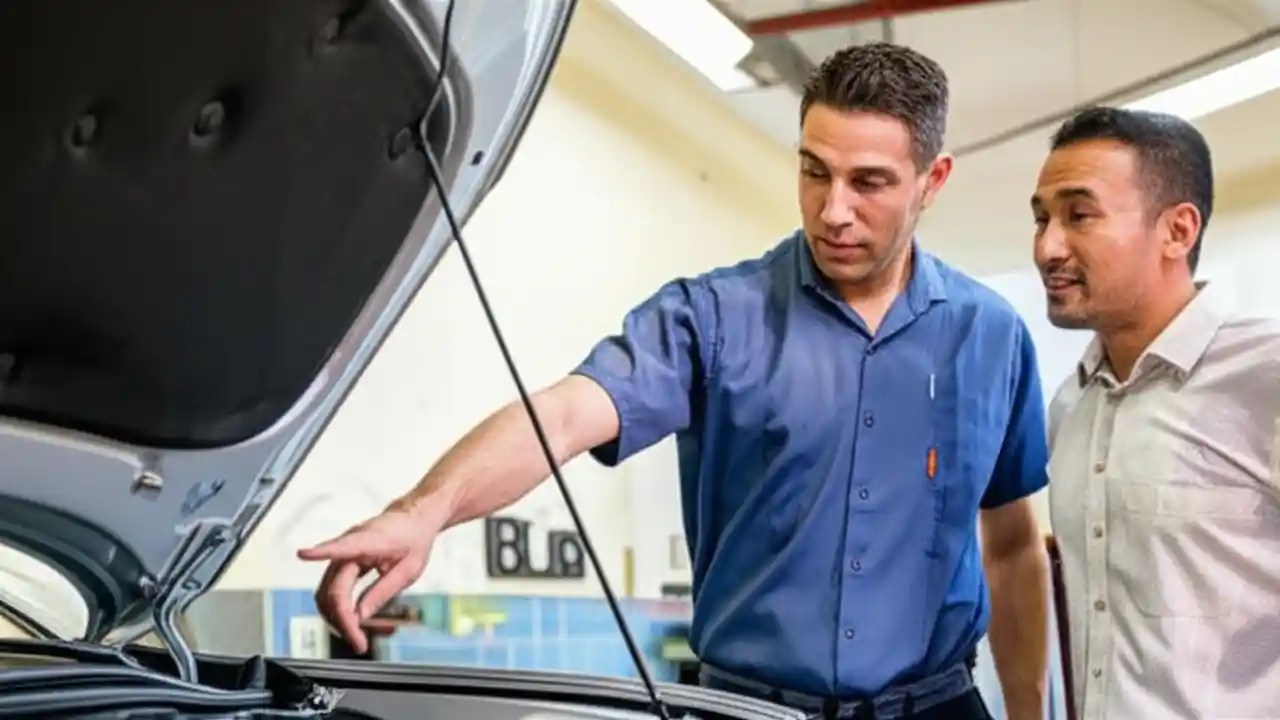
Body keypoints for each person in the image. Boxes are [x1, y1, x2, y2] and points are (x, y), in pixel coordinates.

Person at [300, 42, 1050, 719]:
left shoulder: (991, 337)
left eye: (870, 183)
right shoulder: (713, 318)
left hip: (937, 709)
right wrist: (423, 511)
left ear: (933, 180)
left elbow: (1011, 544)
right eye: (814, 171)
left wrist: (1025, 712)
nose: (834, 211)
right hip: (747, 712)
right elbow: (563, 416)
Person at [1034, 106, 1280, 719]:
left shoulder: (1266, 377)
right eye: (1041, 218)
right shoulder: (1071, 406)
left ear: (1178, 231)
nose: (1047, 247)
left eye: (1079, 215)